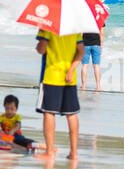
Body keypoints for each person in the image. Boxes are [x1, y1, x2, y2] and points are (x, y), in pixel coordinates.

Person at [34, 27, 84, 159]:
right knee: (72, 114)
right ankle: (74, 152)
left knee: (49, 112)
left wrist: (39, 43)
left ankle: (49, 151)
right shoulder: (75, 29)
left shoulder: (48, 26)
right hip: (70, 77)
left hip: (51, 76)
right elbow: (81, 52)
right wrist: (71, 69)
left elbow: (42, 49)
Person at [79, 25, 103, 91]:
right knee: (96, 66)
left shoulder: (84, 18)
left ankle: (83, 86)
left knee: (84, 65)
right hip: (96, 44)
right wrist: (101, 45)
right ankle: (98, 86)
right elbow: (102, 33)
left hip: (85, 44)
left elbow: (81, 33)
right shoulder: (99, 17)